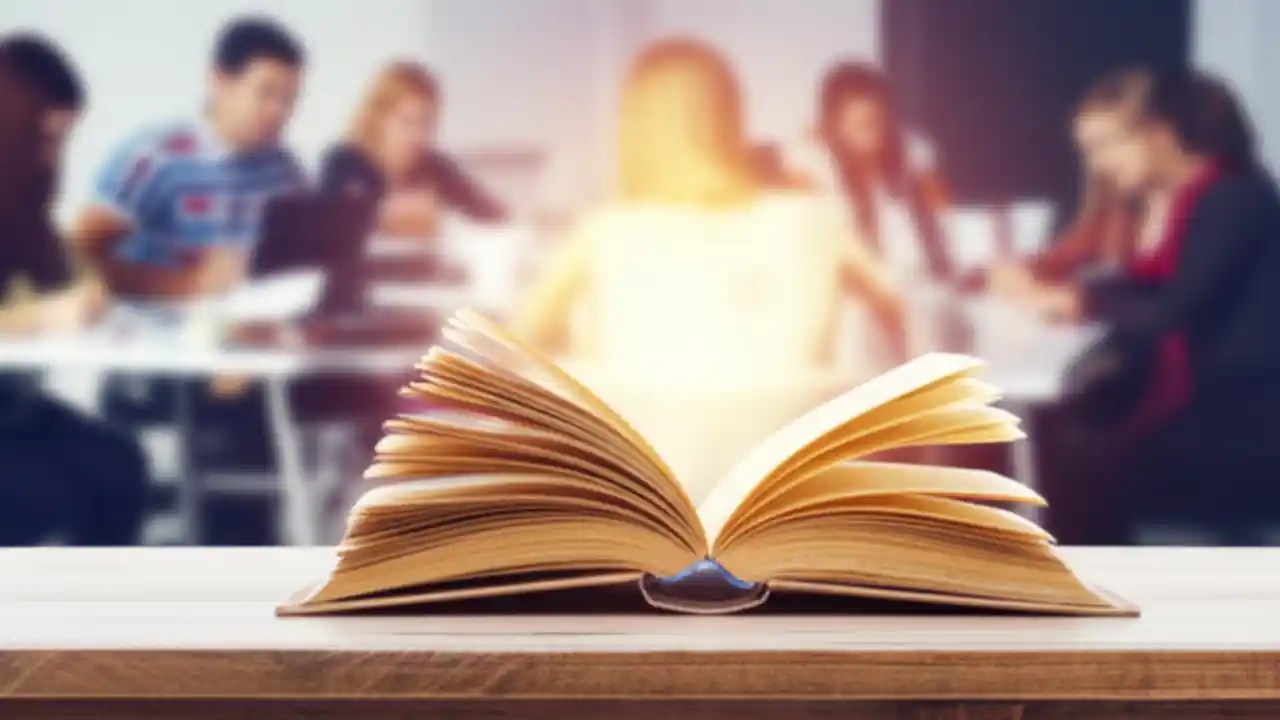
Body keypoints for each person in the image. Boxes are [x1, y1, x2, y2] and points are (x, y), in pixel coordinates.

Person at [513, 39, 903, 501]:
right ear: (733, 120)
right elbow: (911, 330)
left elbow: (509, 349)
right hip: (797, 522)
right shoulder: (815, 223)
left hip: (641, 528)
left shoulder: (606, 234)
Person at [1062, 70, 1280, 542]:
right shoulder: (1196, 201)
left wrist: (1081, 304)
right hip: (1222, 411)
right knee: (1074, 446)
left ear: (1157, 135)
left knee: (1079, 470)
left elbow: (1174, 311)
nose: (1099, 165)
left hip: (1238, 425)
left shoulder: (1233, 199)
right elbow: (1152, 293)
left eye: (1105, 146)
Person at [0, 35, 149, 546]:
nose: (52, 156)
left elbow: (70, 279)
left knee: (117, 461)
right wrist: (41, 317)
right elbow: (30, 315)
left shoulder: (21, 205)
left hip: (12, 413)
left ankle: (98, 621)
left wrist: (87, 295)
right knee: (57, 482)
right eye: (44, 139)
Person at [72, 18, 307, 301]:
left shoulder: (284, 170)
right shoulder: (152, 158)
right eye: (266, 93)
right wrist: (184, 284)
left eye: (289, 99)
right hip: (160, 336)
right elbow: (76, 258)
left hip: (253, 332)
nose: (277, 112)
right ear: (219, 82)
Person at [989, 70, 1151, 321]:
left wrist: (1055, 298)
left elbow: (1145, 297)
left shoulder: (1183, 215)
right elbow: (1061, 256)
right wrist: (1021, 271)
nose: (1098, 165)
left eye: (1108, 143)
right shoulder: (1118, 208)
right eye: (1089, 151)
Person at [782, 62, 953, 283]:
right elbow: (800, 237)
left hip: (921, 282)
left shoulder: (910, 149)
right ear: (833, 125)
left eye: (880, 121)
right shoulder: (810, 160)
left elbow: (946, 217)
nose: (875, 135)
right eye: (862, 125)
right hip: (852, 291)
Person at [320, 61, 505, 236]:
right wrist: (390, 213)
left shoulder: (436, 166)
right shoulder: (343, 162)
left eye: (427, 124)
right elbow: (331, 224)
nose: (418, 136)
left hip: (423, 267)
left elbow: (496, 216)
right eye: (407, 122)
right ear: (379, 118)